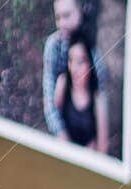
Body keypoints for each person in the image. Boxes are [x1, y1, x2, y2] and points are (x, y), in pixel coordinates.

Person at [42, 0, 109, 145]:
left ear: (80, 13)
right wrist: (63, 137)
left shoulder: (93, 52)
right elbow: (49, 101)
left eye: (66, 16)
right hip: (63, 134)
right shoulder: (53, 45)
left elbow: (100, 99)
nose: (61, 24)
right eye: (58, 17)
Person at [53, 34, 106, 153]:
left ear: (90, 65)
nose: (74, 69)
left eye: (80, 62)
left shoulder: (98, 98)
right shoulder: (63, 83)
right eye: (71, 60)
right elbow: (55, 118)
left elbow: (103, 147)